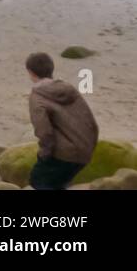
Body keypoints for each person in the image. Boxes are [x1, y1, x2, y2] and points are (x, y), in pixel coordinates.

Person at [25, 52, 98, 190]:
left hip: (65, 154)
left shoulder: (37, 95)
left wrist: (44, 154)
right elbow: (90, 121)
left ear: (30, 72)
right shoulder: (69, 89)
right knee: (58, 182)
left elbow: (43, 130)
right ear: (51, 69)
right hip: (85, 150)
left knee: (37, 179)